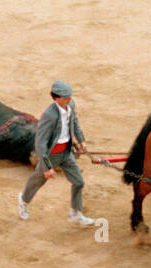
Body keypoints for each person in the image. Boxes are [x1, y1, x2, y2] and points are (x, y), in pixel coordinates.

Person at [17, 81, 96, 227]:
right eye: (66, 97)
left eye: (70, 96)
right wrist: (47, 167)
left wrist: (81, 140)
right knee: (37, 181)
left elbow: (75, 123)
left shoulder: (71, 106)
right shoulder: (49, 115)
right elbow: (40, 142)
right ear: (56, 98)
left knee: (79, 182)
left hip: (66, 152)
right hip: (51, 155)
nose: (69, 99)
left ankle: (75, 213)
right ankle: (23, 200)